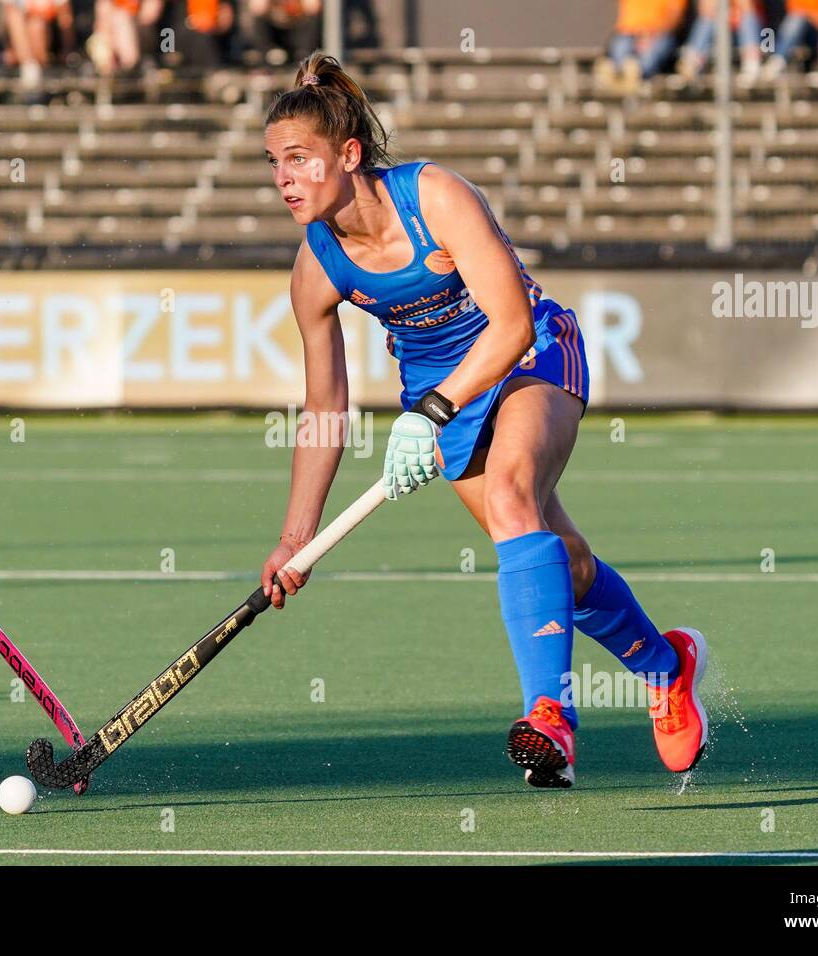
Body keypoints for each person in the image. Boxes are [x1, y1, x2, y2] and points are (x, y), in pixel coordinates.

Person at [258, 54, 708, 788]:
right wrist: (294, 541)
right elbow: (325, 410)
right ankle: (666, 665)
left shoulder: (434, 196)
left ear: (348, 155)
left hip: (529, 352)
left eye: (300, 159)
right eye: (274, 162)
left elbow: (511, 326)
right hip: (444, 394)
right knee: (558, 555)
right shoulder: (316, 266)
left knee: (510, 493)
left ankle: (550, 717)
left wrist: (429, 413)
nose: (284, 177)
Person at [596, 0, 686, 92]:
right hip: (629, 34)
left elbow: (675, 18)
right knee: (621, 47)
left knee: (650, 56)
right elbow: (626, 23)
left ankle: (636, 76)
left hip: (659, 34)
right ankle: (619, 74)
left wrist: (649, 35)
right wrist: (639, 35)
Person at [677, 0, 766, 82]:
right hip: (719, 30)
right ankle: (692, 62)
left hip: (745, 32)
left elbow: (747, 7)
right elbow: (705, 9)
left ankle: (751, 65)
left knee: (747, 20)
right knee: (706, 21)